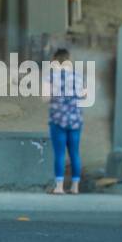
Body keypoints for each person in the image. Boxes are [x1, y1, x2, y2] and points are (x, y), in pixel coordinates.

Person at [47, 48, 84, 194]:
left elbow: (45, 98)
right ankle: (75, 187)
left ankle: (59, 187)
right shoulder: (78, 77)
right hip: (75, 120)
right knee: (75, 153)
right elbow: (82, 96)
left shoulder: (52, 77)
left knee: (60, 153)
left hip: (58, 120)